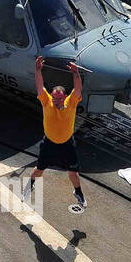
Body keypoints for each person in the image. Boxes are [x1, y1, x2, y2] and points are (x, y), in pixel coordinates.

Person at [24, 56, 85, 209]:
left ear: (64, 97)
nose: (56, 101)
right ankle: (28, 187)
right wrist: (38, 70)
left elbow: (77, 90)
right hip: (49, 143)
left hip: (67, 143)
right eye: (54, 98)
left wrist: (76, 74)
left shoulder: (71, 102)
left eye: (59, 99)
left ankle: (78, 192)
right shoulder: (46, 101)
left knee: (73, 172)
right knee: (39, 169)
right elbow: (39, 86)